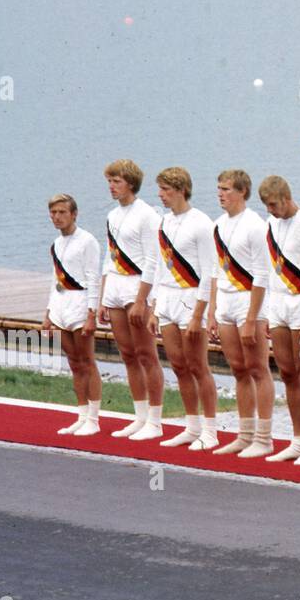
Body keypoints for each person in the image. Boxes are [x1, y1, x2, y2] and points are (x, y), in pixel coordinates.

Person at [138, 168, 218, 450]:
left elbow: (210, 272)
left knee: (198, 366)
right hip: (168, 300)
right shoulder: (163, 223)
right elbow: (160, 266)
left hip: (191, 299)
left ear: (181, 189)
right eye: (159, 189)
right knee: (180, 366)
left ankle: (210, 430)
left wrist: (200, 314)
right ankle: (191, 425)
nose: (160, 195)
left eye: (165, 190)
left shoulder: (202, 223)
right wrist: (155, 307)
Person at [259, 176, 300, 465]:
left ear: (286, 198)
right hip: (278, 308)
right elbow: (269, 269)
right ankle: (298, 440)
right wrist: (265, 312)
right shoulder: (270, 225)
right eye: (266, 206)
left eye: (273, 204)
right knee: (287, 372)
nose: (270, 210)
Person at [207, 170, 273, 458]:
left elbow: (262, 274)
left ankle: (264, 437)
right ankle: (244, 435)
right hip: (226, 303)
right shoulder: (218, 225)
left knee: (258, 369)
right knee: (238, 369)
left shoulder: (255, 225)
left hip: (249, 302)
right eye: (219, 188)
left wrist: (251, 318)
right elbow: (214, 271)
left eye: (227, 189)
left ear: (243, 192)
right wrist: (212, 312)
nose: (221, 194)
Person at [98, 160, 164, 440]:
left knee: (146, 354)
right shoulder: (113, 215)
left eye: (117, 182)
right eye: (110, 182)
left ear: (131, 183)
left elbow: (153, 259)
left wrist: (141, 300)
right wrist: (101, 298)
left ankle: (156, 420)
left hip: (137, 285)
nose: (112, 187)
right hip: (114, 283)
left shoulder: (147, 215)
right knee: (127, 354)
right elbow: (109, 256)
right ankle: (139, 416)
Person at [44, 194, 101, 436]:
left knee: (87, 361)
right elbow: (55, 280)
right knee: (74, 363)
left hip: (80, 305)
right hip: (60, 306)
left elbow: (93, 279)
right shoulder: (56, 244)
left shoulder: (87, 241)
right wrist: (48, 313)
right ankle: (81, 414)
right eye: (53, 213)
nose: (57, 217)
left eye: (62, 212)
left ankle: (94, 419)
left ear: (74, 214)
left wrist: (91, 314)